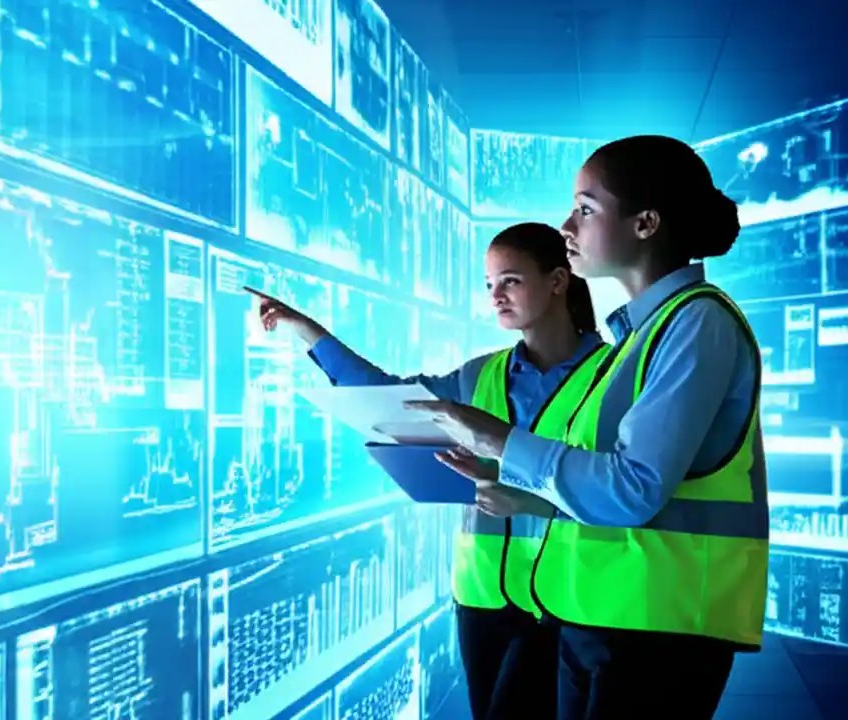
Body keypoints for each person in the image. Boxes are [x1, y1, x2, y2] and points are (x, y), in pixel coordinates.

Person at [406, 135, 769, 720]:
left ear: (646, 222)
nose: (566, 224)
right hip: (599, 613)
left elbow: (634, 488)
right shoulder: (635, 339)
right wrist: (525, 494)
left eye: (585, 208)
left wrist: (495, 437)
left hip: (659, 624)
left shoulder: (697, 323)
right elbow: (601, 485)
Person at [248, 222, 612, 720]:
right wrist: (305, 330)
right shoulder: (478, 375)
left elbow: (624, 489)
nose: (496, 296)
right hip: (482, 598)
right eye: (489, 285)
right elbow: (385, 396)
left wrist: (533, 501)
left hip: (568, 598)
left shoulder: (615, 377)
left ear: (557, 280)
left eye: (510, 280)